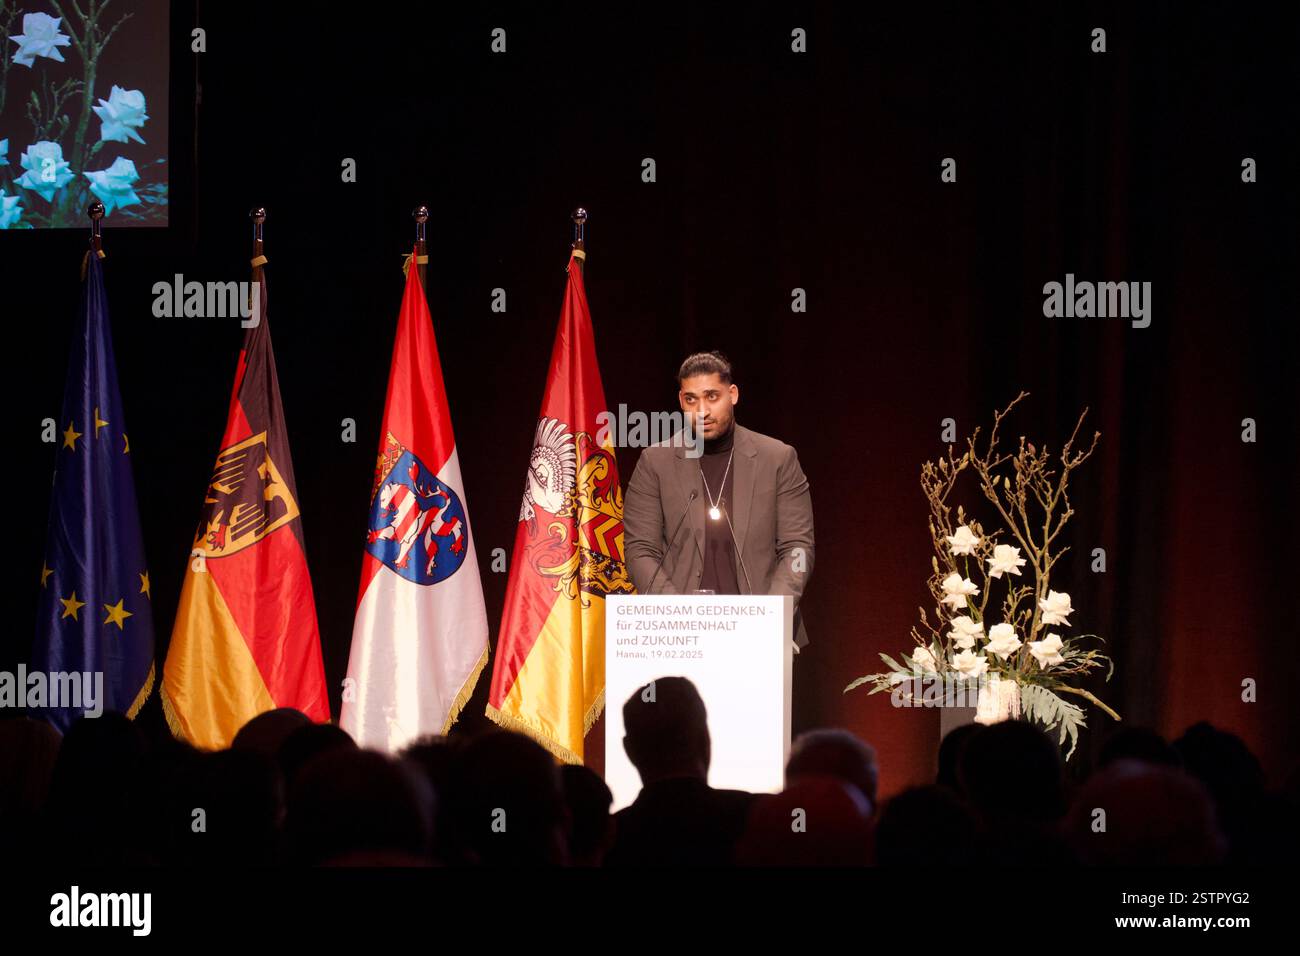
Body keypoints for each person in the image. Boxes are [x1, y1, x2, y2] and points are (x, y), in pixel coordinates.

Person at [623, 351, 815, 650]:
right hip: (680, 636)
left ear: (733, 394)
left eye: (712, 396)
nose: (702, 411)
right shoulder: (654, 462)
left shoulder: (777, 458)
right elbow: (640, 551)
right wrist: (681, 619)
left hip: (761, 633)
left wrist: (770, 620)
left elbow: (797, 549)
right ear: (680, 401)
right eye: (691, 400)